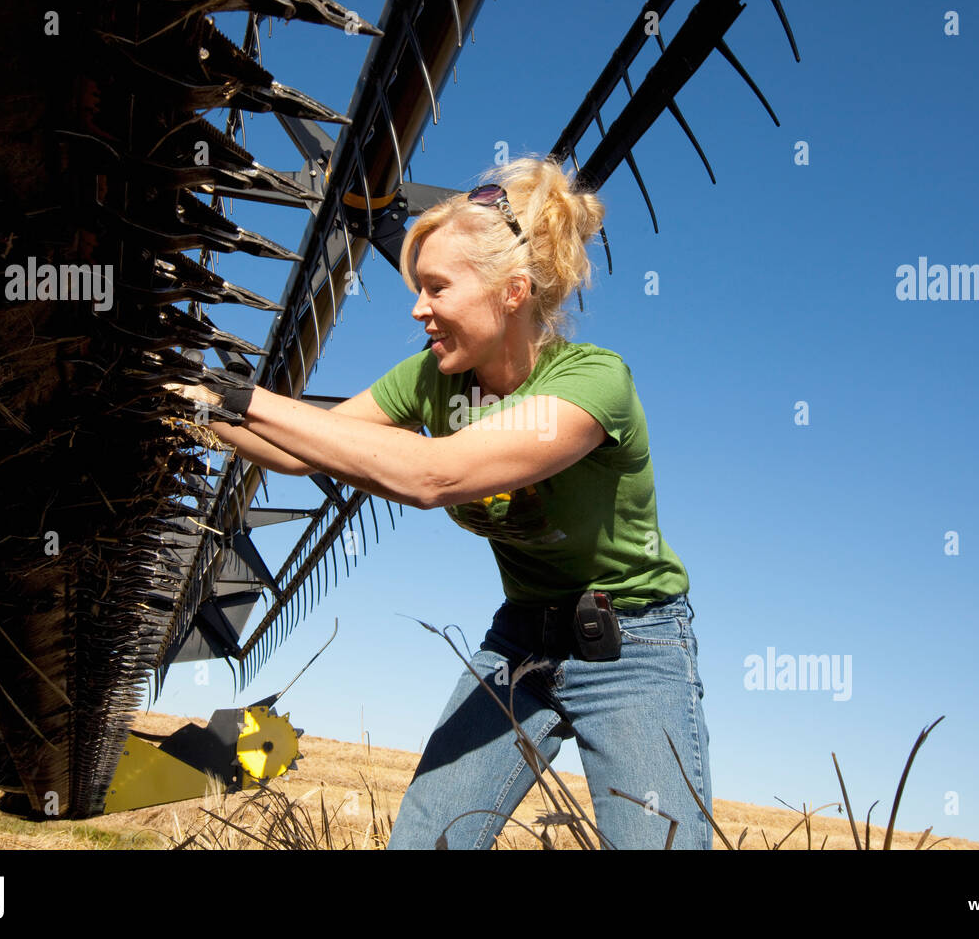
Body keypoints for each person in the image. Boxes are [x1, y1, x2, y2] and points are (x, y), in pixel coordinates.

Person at [180, 155, 712, 849]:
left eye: (436, 287)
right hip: (519, 640)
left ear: (512, 291)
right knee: (429, 841)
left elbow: (433, 476)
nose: (417, 307)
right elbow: (300, 448)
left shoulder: (593, 383)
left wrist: (244, 397)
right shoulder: (433, 379)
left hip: (629, 645)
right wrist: (189, 402)